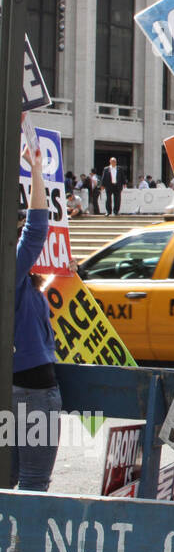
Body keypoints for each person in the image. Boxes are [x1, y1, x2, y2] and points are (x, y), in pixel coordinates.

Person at [13, 141, 61, 490]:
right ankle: (19, 548)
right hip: (32, 390)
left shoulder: (19, 276)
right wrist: (36, 171)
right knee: (33, 483)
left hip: (22, 388)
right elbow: (37, 228)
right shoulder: (10, 269)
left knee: (11, 479)